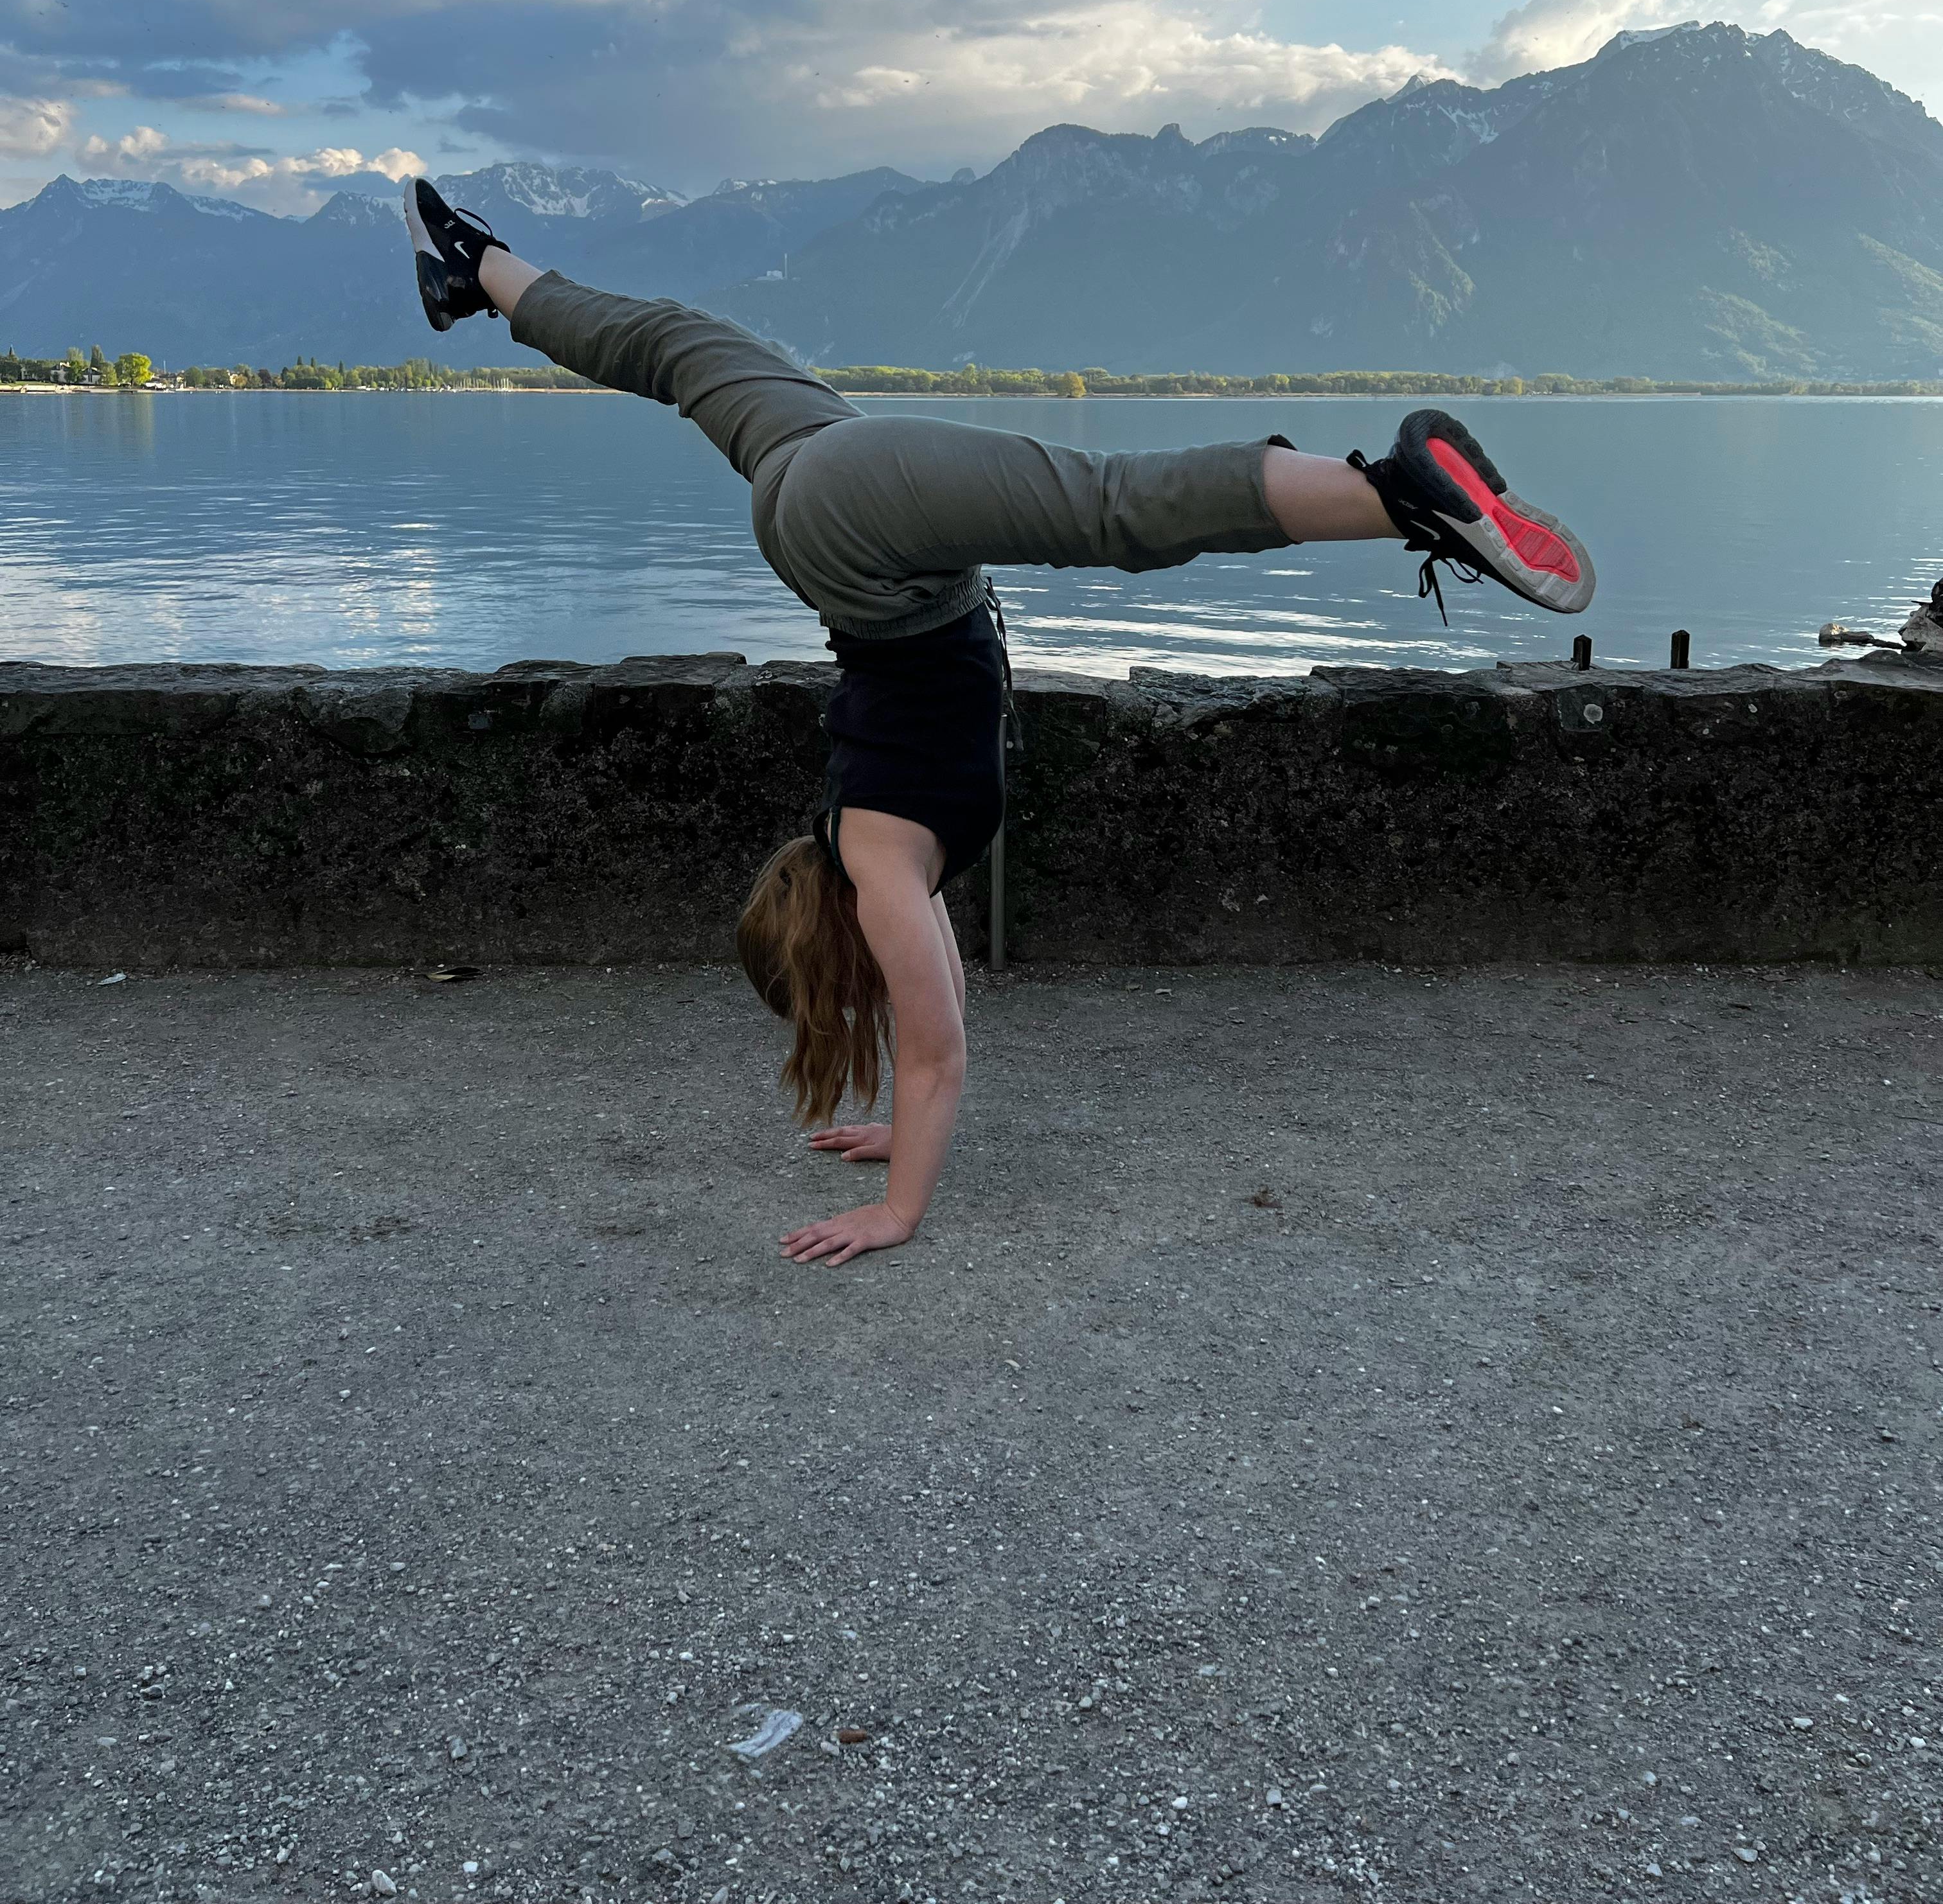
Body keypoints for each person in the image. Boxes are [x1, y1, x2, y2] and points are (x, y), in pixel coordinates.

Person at [405, 179, 1595, 1267]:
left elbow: (934, 1051)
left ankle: (1404, 501)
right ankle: (481, 270)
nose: (893, 992)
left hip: (857, 532)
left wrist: (897, 1214)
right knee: (670, 347)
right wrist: (892, 1133)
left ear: (843, 961)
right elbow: (940, 1031)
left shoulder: (882, 868)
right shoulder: (883, 867)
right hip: (819, 486)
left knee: (1112, 509)